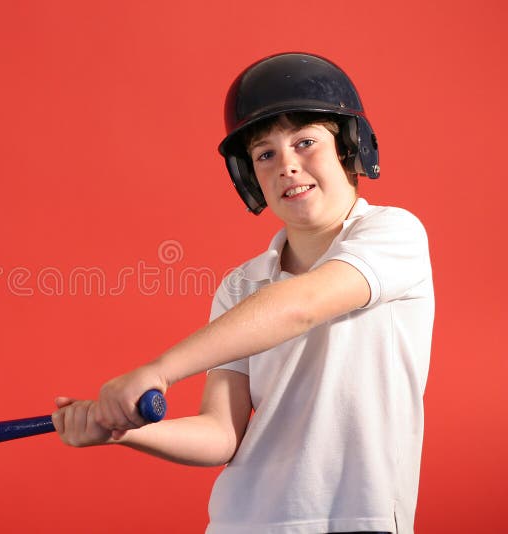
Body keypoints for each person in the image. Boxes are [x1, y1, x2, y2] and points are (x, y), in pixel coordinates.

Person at [51, 53, 434, 534]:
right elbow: (221, 435)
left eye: (306, 142)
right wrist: (121, 431)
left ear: (350, 146)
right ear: (250, 176)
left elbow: (301, 306)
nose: (288, 165)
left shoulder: (393, 233)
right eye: (265, 154)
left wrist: (159, 370)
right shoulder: (242, 285)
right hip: (242, 522)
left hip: (357, 517)